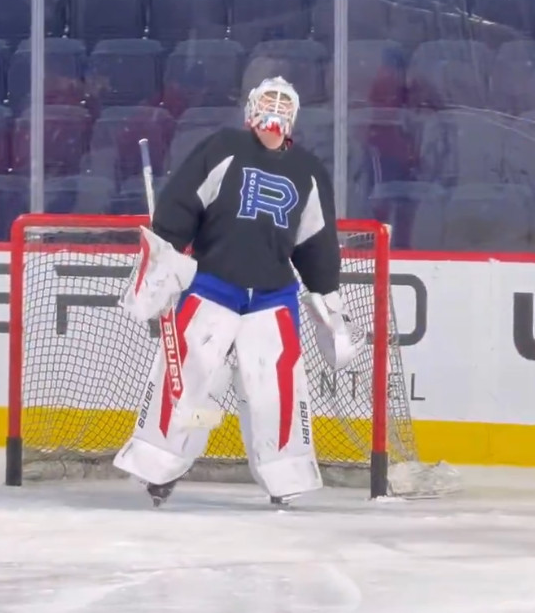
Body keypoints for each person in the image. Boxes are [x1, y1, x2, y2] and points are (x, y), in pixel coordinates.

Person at [115, 75, 362, 507]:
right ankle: (161, 464)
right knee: (190, 382)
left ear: (296, 117)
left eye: (286, 104)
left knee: (275, 389)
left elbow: (316, 241)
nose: (276, 110)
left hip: (273, 297)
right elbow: (182, 203)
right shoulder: (223, 147)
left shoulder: (309, 171)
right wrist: (165, 250)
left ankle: (285, 475)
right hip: (212, 285)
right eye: (269, 101)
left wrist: (328, 296)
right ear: (250, 109)